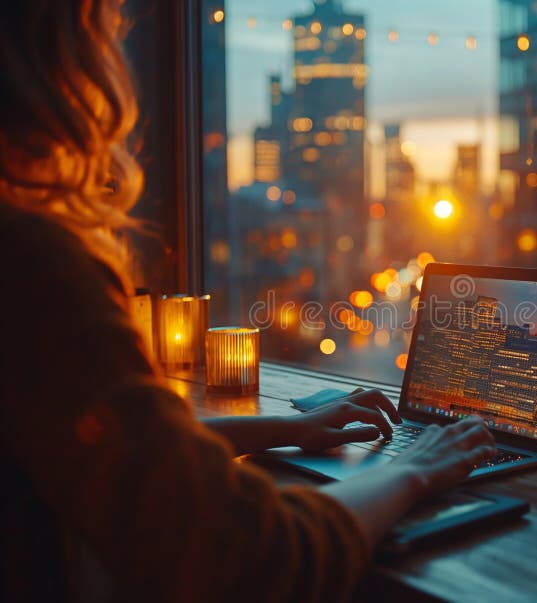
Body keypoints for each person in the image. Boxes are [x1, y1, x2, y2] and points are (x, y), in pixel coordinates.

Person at [0, 1, 496, 601]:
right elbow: (247, 555)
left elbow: (132, 455)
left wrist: (290, 427)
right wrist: (415, 470)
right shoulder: (35, 262)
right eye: (109, 32)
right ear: (66, 57)